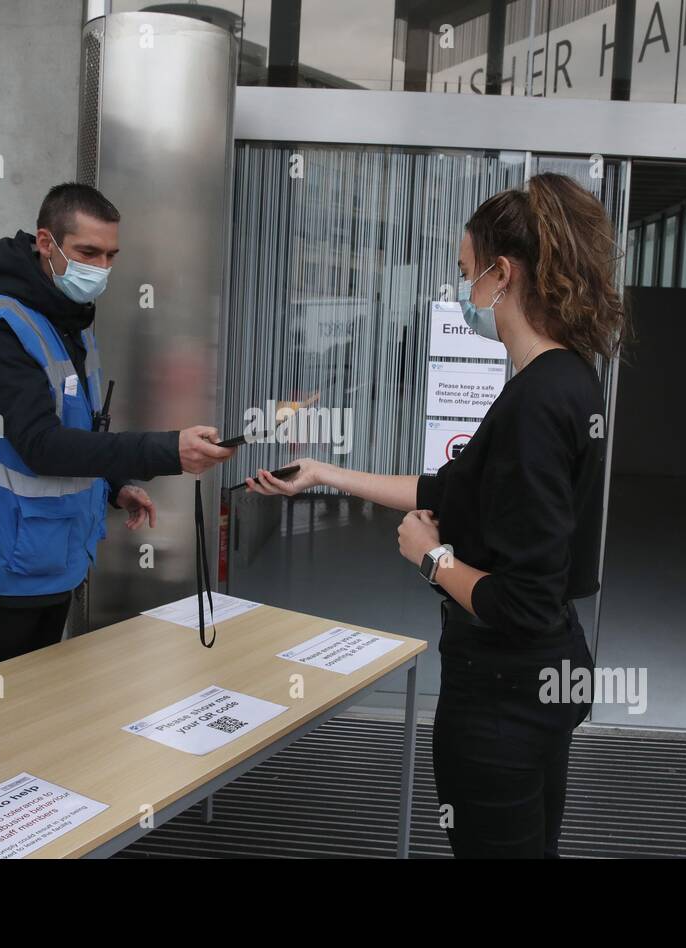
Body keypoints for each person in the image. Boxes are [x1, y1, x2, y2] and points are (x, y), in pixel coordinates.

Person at [246, 173, 624, 858]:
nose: (461, 292)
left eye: (464, 272)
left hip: (503, 699)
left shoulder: (535, 403)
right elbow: (451, 489)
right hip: (543, 680)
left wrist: (431, 557)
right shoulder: (568, 377)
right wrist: (326, 473)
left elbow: (523, 600)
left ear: (502, 275)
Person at [0, 182, 234, 682]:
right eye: (88, 252)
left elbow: (79, 428)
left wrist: (115, 487)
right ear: (46, 243)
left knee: (32, 721)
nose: (102, 269)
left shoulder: (69, 322)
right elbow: (42, 446)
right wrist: (167, 450)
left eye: (112, 255)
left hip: (48, 561)